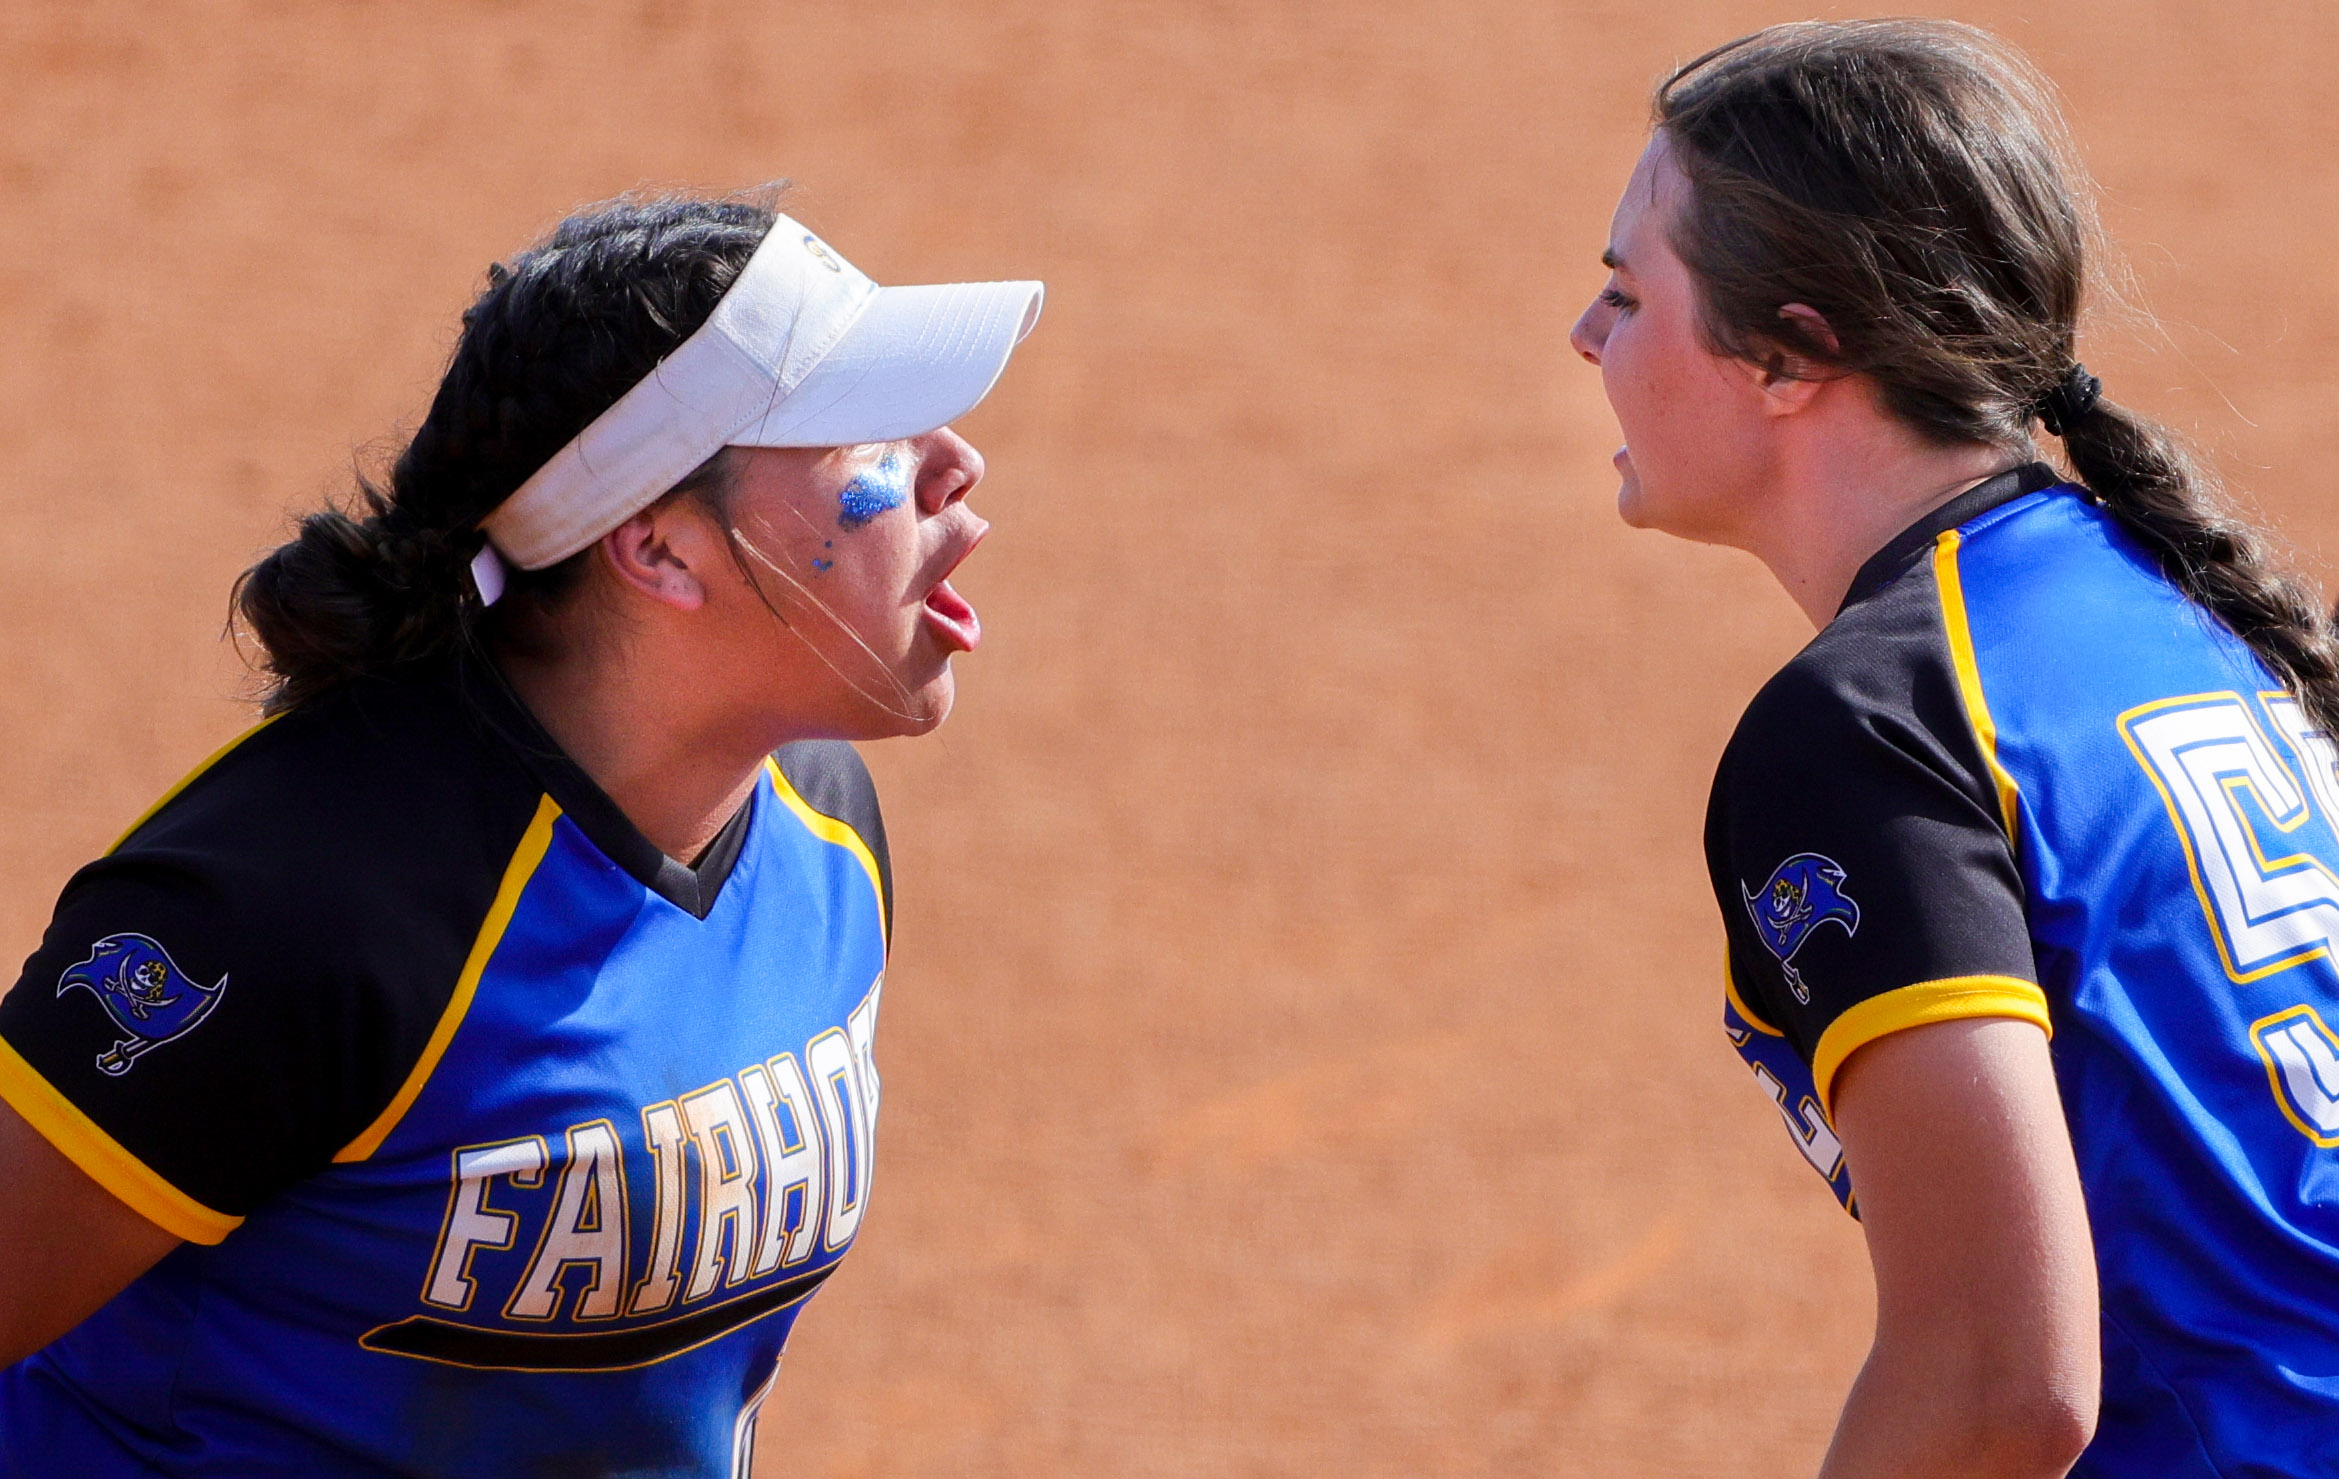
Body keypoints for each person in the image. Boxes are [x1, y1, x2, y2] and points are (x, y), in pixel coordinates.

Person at [0, 192, 1041, 1475]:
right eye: (859, 438)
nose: (956, 464)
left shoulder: (820, 827)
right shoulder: (301, 904)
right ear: (657, 549)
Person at [1571, 20, 2339, 1479]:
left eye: (1624, 290)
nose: (1587, 336)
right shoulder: (2180, 608)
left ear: (1786, 356)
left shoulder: (1866, 728)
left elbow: (1992, 1383)